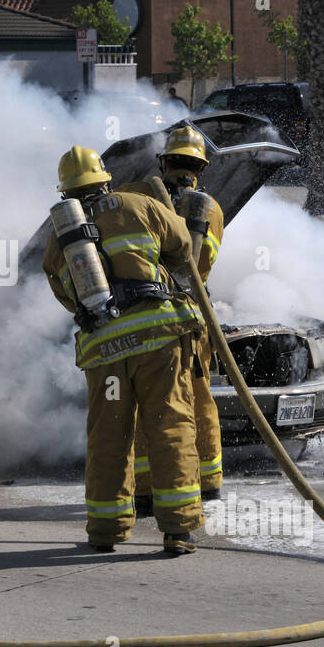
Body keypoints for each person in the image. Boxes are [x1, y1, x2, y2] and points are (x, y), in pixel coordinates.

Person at [42, 145, 205, 555]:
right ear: (105, 179)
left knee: (109, 435)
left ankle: (105, 529)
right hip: (157, 341)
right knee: (170, 424)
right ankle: (178, 530)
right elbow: (185, 248)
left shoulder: (59, 237)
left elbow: (66, 294)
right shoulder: (140, 204)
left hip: (106, 351)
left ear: (67, 194)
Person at [121, 126, 226, 517]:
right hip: (197, 317)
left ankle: (150, 490)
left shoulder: (141, 201)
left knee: (157, 404)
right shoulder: (210, 208)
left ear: (163, 162)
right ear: (201, 167)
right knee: (199, 397)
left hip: (159, 317)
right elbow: (201, 266)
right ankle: (209, 479)